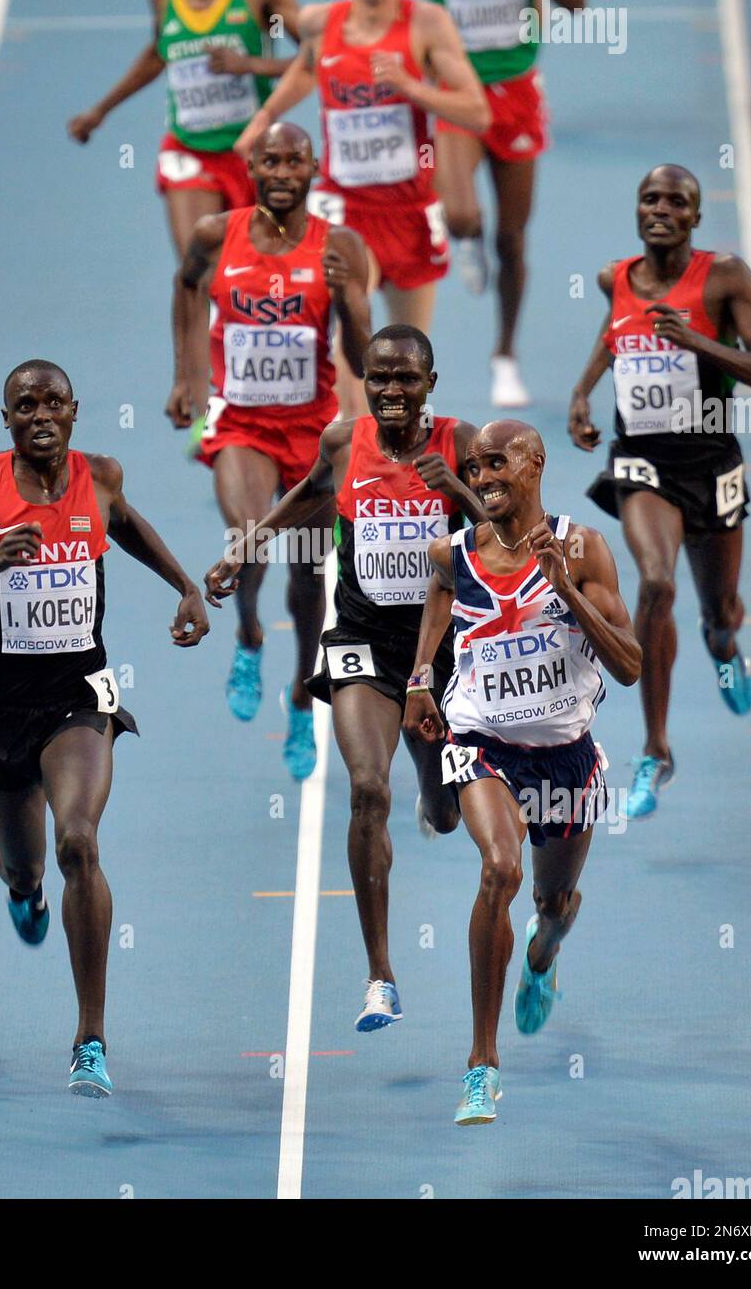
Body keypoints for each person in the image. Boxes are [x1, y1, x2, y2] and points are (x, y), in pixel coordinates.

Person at [0, 361, 209, 1097]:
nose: (39, 413)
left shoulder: (99, 475)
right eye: (24, 405)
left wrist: (185, 586)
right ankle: (22, 889)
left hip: (77, 702)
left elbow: (128, 525)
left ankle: (90, 1038)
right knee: (27, 863)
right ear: (4, 418)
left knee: (78, 841)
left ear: (74, 410)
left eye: (52, 402)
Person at [206, 324, 486, 1030]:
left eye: (405, 378)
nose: (391, 390)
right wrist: (243, 551)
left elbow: (507, 536)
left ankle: (435, 795)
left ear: (430, 383)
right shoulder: (343, 444)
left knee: (445, 813)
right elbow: (305, 496)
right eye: (378, 377)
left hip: (442, 651)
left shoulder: (463, 443)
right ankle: (380, 976)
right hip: (361, 641)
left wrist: (459, 491)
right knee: (366, 789)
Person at [404, 420, 640, 1124]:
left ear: (535, 464)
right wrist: (421, 675)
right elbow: (439, 601)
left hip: (566, 757)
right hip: (484, 745)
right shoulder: (451, 554)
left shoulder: (582, 546)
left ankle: (544, 952)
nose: (481, 480)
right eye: (473, 470)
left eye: (496, 464)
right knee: (498, 869)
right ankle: (481, 1064)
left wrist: (563, 589)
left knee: (551, 902)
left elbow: (628, 665)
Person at [568, 164, 751, 819]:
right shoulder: (616, 277)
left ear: (694, 217)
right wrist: (581, 392)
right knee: (655, 583)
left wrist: (698, 343)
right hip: (642, 460)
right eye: (649, 199)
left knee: (719, 612)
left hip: (710, 461)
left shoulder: (724, 278)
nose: (660, 208)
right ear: (637, 210)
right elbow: (616, 337)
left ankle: (721, 645)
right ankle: (656, 749)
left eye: (676, 201)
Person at [170, 121, 371, 779]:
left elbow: (364, 358)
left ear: (314, 169)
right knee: (250, 537)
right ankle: (249, 634)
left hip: (312, 430)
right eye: (271, 161)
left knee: (310, 575)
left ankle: (300, 699)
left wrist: (348, 299)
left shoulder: (339, 246)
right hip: (243, 427)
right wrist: (188, 377)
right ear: (250, 166)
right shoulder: (215, 235)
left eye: (296, 161)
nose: (283, 171)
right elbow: (187, 286)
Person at [235, 0, 489, 419]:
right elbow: (307, 70)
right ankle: (352, 467)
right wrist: (264, 116)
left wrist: (410, 85)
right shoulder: (319, 23)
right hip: (346, 212)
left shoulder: (427, 25)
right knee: (354, 340)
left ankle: (399, 464)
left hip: (412, 210)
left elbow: (478, 111)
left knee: (407, 353)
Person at [405, 0, 585, 408]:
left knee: (512, 240)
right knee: (461, 214)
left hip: (516, 93)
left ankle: (505, 355)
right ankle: (464, 236)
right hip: (458, 90)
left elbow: (578, 1)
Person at [67, 0, 300, 260]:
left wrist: (249, 65)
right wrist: (100, 111)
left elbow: (316, 56)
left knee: (264, 269)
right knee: (200, 262)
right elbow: (160, 52)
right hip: (189, 150)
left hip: (253, 151)